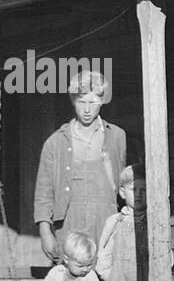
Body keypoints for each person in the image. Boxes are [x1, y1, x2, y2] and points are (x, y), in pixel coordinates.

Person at [34, 70, 127, 262]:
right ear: (73, 101)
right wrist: (45, 233)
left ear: (102, 101)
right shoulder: (56, 143)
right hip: (69, 225)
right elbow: (43, 194)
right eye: (81, 102)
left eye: (92, 103)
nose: (86, 110)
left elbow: (129, 184)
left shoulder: (118, 137)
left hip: (107, 223)